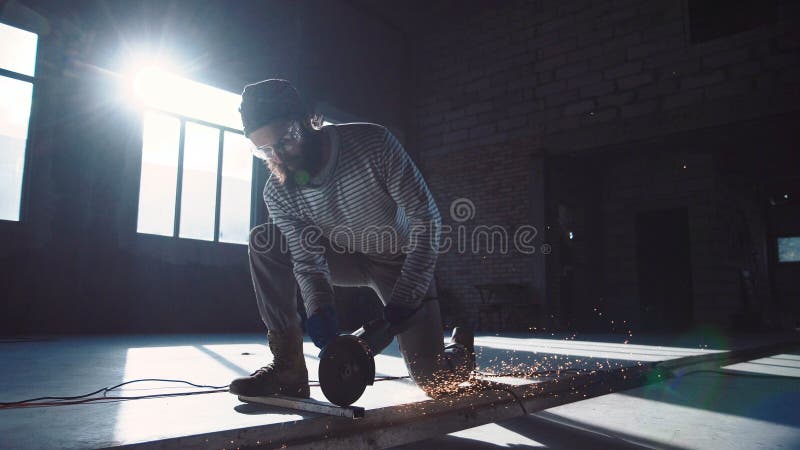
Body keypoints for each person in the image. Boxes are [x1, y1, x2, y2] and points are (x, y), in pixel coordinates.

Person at [229, 79, 475, 400]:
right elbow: (307, 260)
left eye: (285, 141)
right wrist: (319, 310)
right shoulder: (279, 191)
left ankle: (462, 351)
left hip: (397, 261)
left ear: (307, 121)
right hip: (342, 258)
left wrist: (405, 297)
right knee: (265, 241)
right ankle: (288, 368)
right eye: (264, 149)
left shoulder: (373, 143)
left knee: (435, 382)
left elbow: (427, 221)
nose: (278, 155)